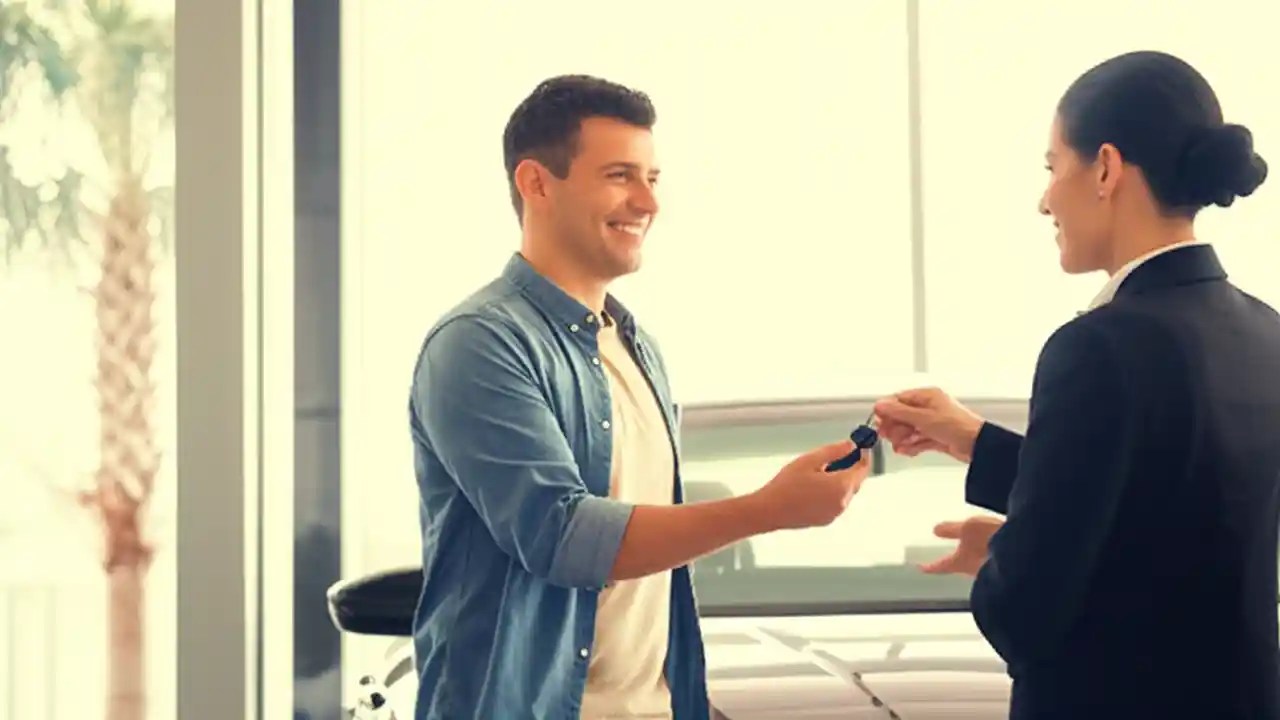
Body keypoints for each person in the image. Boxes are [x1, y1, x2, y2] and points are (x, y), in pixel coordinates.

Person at [406, 74, 871, 720]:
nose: (648, 202)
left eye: (652, 177)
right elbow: (561, 535)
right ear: (536, 183)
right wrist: (768, 509)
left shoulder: (636, 346)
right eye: (620, 175)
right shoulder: (479, 344)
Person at [874, 50, 1277, 720]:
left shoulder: (1098, 346)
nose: (1044, 200)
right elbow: (1159, 512)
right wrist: (974, 441)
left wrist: (997, 554)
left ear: (1106, 169)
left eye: (1052, 166)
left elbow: (1023, 612)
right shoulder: (1264, 333)